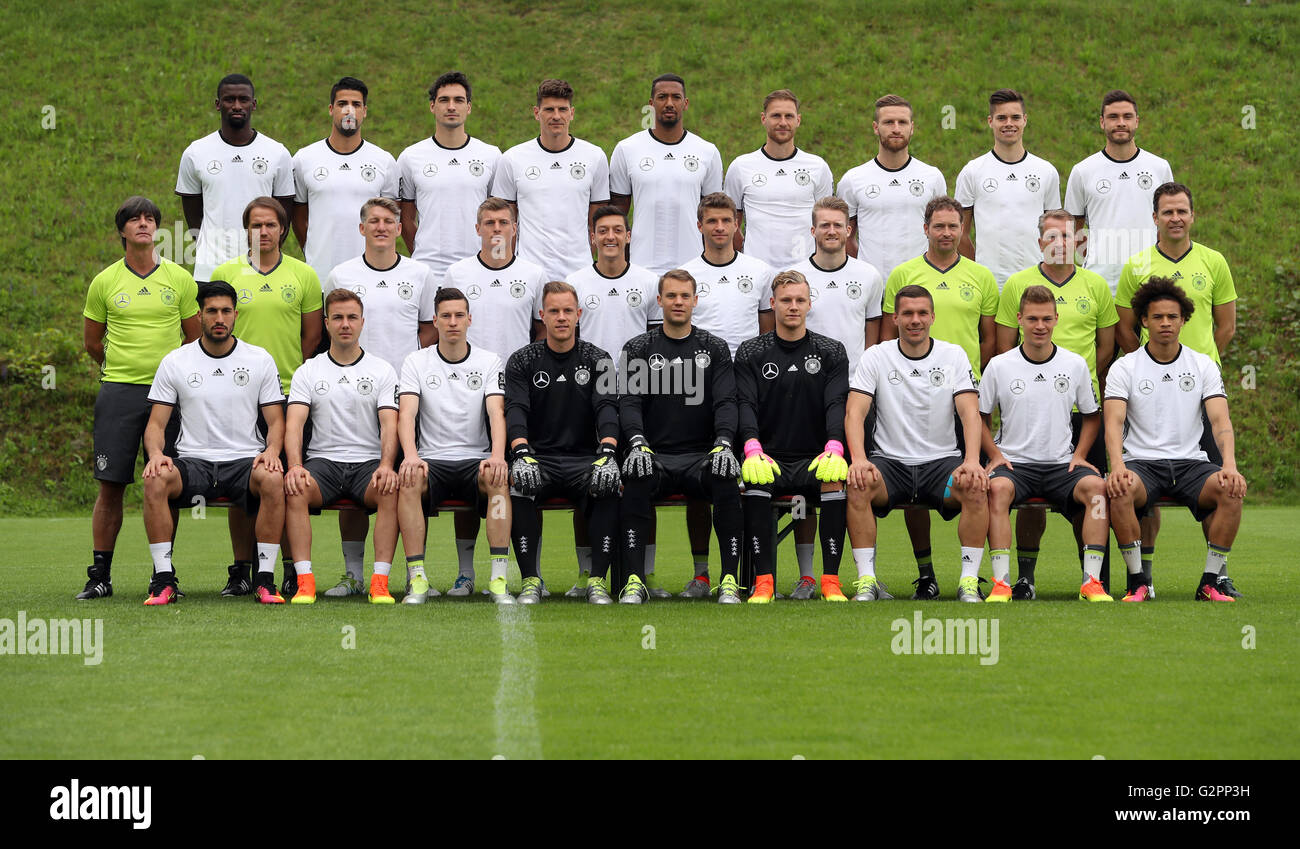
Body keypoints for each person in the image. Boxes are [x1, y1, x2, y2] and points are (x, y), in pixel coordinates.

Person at [1115, 182, 1239, 597]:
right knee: (1136, 492)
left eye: (1182, 211)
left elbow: (1226, 326)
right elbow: (1124, 328)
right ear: (1155, 217)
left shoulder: (1213, 261)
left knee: (1223, 481)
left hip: (1201, 384)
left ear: (1192, 215)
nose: (1175, 218)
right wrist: (1152, 365)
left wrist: (1193, 364)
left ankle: (1216, 576)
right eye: (1167, 212)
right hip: (1150, 385)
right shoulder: (1136, 265)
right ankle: (1141, 578)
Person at [77, 197, 200, 600]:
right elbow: (93, 342)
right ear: (123, 231)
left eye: (150, 219)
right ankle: (100, 576)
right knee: (110, 486)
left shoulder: (179, 279)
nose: (144, 224)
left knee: (165, 484)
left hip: (169, 396)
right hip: (119, 393)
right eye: (135, 219)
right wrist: (123, 372)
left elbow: (193, 337)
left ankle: (162, 576)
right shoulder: (105, 281)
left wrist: (169, 378)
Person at [140, 282, 287, 604]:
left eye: (225, 311)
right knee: (154, 479)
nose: (219, 318)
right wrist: (154, 454)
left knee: (274, 478)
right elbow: (156, 423)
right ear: (199, 316)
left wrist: (272, 451)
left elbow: (276, 421)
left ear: (235, 314)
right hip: (194, 462)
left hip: (245, 460)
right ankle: (163, 580)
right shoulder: (176, 361)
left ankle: (264, 580)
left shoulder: (259, 359)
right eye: (211, 311)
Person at [995, 210, 1117, 597]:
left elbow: (1107, 347)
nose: (1060, 243)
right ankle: (1025, 578)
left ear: (1078, 241)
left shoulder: (1095, 285)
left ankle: (1095, 579)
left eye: (1067, 236)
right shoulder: (1017, 284)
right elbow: (1002, 346)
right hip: (1029, 404)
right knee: (1029, 503)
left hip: (1081, 407)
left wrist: (1070, 380)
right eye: (1052, 236)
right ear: (1040, 241)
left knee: (1091, 495)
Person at [317, 198, 435, 596]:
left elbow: (428, 330)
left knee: (408, 484)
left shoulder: (420, 274)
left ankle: (411, 573)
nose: (382, 227)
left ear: (400, 229)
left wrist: (410, 375)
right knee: (353, 481)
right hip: (354, 392)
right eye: (374, 221)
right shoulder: (341, 274)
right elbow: (331, 326)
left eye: (389, 221)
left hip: (407, 396)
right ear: (362, 228)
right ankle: (354, 574)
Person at [882, 196, 998, 597]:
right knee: (913, 480)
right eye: (939, 226)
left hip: (963, 392)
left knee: (973, 481)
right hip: (911, 389)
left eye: (953, 226)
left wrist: (983, 388)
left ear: (962, 229)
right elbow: (886, 334)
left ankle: (972, 575)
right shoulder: (903, 274)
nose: (946, 232)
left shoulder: (981, 276)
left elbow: (988, 339)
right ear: (926, 228)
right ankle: (926, 573)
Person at [844, 285, 990, 602]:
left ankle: (968, 582)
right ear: (895, 317)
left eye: (922, 313)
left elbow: (970, 414)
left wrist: (973, 461)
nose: (915, 320)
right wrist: (857, 458)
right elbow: (855, 413)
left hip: (942, 466)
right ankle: (867, 580)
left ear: (933, 317)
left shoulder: (953, 355)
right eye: (907, 313)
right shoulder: (876, 356)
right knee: (857, 483)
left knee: (976, 485)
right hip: (890, 466)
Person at [1104, 277, 1245, 602]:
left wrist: (1230, 465)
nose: (1165, 323)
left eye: (1172, 317)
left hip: (1190, 464)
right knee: (1120, 488)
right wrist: (1117, 466)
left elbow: (1220, 420)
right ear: (1144, 321)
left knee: (1232, 491)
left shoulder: (1203, 364)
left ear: (1183, 319)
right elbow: (1114, 422)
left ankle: (1210, 582)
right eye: (1157, 317)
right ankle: (1138, 582)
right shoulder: (1125, 367)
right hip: (1143, 464)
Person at [209, 197, 322, 596]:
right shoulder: (227, 273)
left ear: (282, 230)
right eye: (256, 226)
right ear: (248, 231)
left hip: (288, 392)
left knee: (287, 484)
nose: (264, 232)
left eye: (271, 225)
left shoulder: (304, 275)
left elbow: (311, 337)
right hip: (235, 396)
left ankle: (291, 569)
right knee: (242, 487)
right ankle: (241, 569)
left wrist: (289, 376)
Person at [979, 285, 1111, 602]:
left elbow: (1093, 416)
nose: (1040, 326)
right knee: (995, 490)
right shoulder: (999, 365)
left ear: (1056, 319)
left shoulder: (1075, 364)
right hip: (1014, 465)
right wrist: (994, 454)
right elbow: (978, 417)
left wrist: (1080, 454)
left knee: (1097, 490)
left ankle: (1092, 582)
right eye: (1033, 319)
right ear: (1020, 319)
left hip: (1060, 465)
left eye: (1047, 319)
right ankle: (1001, 583)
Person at [619, 270, 743, 603]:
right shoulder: (638, 347)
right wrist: (637, 442)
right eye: (671, 296)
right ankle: (635, 579)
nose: (678, 302)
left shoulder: (714, 348)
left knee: (726, 478)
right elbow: (629, 403)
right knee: (635, 477)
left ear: (695, 301)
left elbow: (726, 401)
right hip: (654, 455)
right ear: (659, 301)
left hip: (701, 456)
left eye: (684, 296)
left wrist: (724, 443)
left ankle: (725, 578)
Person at [444, 197, 548, 591]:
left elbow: (541, 332)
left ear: (515, 228)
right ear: (478, 229)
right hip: (468, 392)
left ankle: (528, 572)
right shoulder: (458, 272)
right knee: (472, 475)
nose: (496, 229)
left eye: (504, 222)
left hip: (519, 395)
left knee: (522, 479)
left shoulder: (534, 274)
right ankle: (466, 572)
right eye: (488, 222)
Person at [676, 192, 775, 594]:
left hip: (749, 388)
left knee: (752, 478)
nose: (719, 228)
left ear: (738, 226)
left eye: (726, 221)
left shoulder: (759, 270)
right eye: (711, 221)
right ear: (699, 226)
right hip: (700, 391)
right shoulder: (683, 274)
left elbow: (767, 332)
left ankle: (751, 573)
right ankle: (702, 572)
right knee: (703, 482)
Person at [734, 271, 851, 603]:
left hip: (815, 458)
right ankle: (764, 582)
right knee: (755, 481)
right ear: (772, 304)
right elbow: (745, 405)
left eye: (800, 300)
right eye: (786, 300)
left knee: (833, 481)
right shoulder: (750, 352)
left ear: (809, 304)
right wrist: (752, 448)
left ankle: (830, 581)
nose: (793, 307)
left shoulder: (831, 351)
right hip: (769, 457)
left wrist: (834, 447)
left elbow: (836, 403)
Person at [504, 281, 621, 604]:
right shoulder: (522, 360)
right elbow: (515, 411)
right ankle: (531, 580)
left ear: (579, 315)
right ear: (541, 315)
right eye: (553, 311)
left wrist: (608, 451)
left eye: (567, 311)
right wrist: (521, 453)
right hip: (537, 457)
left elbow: (607, 408)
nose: (561, 317)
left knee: (607, 483)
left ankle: (597, 579)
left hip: (584, 459)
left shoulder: (598, 358)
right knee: (519, 484)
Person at [397, 288, 514, 604]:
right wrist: (410, 456)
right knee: (408, 480)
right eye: (445, 316)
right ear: (434, 320)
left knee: (498, 479)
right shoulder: (416, 361)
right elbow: (406, 414)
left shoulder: (489, 360)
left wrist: (498, 457)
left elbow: (496, 413)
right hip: (431, 459)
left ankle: (499, 579)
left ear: (469, 319)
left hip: (475, 459)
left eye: (459, 315)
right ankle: (418, 579)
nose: (452, 322)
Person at [283, 289, 399, 603]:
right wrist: (295, 466)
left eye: (351, 317)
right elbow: (294, 424)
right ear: (326, 323)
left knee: (391, 488)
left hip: (367, 464)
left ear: (362, 322)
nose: (344, 324)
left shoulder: (382, 370)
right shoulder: (309, 370)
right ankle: (305, 581)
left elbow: (390, 424)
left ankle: (379, 583)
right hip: (324, 463)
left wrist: (387, 466)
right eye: (337, 317)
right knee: (295, 487)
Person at [176, 74, 294, 282]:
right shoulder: (196, 152)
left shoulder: (277, 153)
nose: (237, 105)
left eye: (244, 100)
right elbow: (193, 214)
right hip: (210, 269)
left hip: (260, 267)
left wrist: (265, 255)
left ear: (254, 104)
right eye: (229, 100)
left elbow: (284, 214)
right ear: (218, 104)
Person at [491, 79, 610, 281]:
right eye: (549, 110)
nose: (556, 116)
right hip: (529, 273)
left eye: (562, 109)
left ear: (572, 113)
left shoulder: (594, 157)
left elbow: (596, 222)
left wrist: (588, 262)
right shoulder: (512, 158)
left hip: (579, 273)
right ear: (536, 113)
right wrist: (507, 268)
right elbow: (504, 223)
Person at [609, 74, 724, 275]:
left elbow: (715, 214)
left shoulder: (707, 151)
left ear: (685, 103)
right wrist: (623, 262)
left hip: (694, 269)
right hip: (642, 267)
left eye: (676, 97)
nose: (669, 103)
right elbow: (617, 214)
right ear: (651, 104)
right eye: (662, 97)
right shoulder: (627, 149)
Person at [1064, 90, 1174, 294]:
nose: (1121, 122)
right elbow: (1073, 228)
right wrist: (1096, 260)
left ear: (1137, 121)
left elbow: (1168, 224)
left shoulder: (1159, 168)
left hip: (1150, 281)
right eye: (1113, 117)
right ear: (1102, 122)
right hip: (1100, 282)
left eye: (1127, 117)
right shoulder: (1083, 171)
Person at [291, 77, 399, 284]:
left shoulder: (384, 161)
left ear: (365, 111)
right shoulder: (304, 159)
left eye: (356, 105)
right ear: (331, 109)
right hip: (320, 276)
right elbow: (299, 216)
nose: (349, 110)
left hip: (370, 276)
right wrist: (314, 249)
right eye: (342, 104)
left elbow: (391, 220)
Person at [397, 71, 502, 283]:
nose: (451, 106)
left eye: (459, 100)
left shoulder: (491, 155)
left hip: (478, 269)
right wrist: (421, 255)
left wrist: (493, 259)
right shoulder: (411, 157)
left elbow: (502, 217)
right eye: (444, 100)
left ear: (469, 107)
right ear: (432, 106)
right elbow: (405, 219)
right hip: (428, 271)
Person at [955, 89, 1062, 288]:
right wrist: (977, 272)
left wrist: (1050, 274)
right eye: (1001, 118)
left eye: (1015, 117)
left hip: (1036, 281)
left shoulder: (1046, 171)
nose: (1009, 123)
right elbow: (961, 233)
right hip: (989, 283)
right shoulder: (972, 171)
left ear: (1025, 120)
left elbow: (1054, 232)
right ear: (990, 121)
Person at [837, 94, 946, 281]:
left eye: (902, 122)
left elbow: (943, 233)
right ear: (875, 127)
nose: (896, 129)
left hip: (921, 286)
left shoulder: (932, 177)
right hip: (872, 287)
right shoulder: (853, 180)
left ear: (912, 128)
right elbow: (844, 237)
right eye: (888, 122)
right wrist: (863, 270)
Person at [723, 89, 834, 269]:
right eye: (776, 116)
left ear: (798, 120)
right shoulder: (741, 166)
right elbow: (730, 222)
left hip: (804, 272)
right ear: (763, 119)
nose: (783, 122)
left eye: (788, 116)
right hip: (756, 271)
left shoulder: (817, 167)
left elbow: (827, 221)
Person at [791, 196, 885, 371]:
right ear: (813, 230)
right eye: (825, 225)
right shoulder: (796, 276)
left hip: (853, 381)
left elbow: (872, 325)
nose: (832, 231)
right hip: (807, 377)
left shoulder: (869, 275)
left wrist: (865, 371)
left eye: (838, 225)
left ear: (848, 230)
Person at [566, 205, 661, 366]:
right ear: (593, 238)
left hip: (635, 380)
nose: (610, 237)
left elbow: (657, 339)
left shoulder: (650, 281)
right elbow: (569, 338)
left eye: (617, 230)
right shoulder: (574, 282)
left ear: (628, 236)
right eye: (603, 231)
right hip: (590, 380)